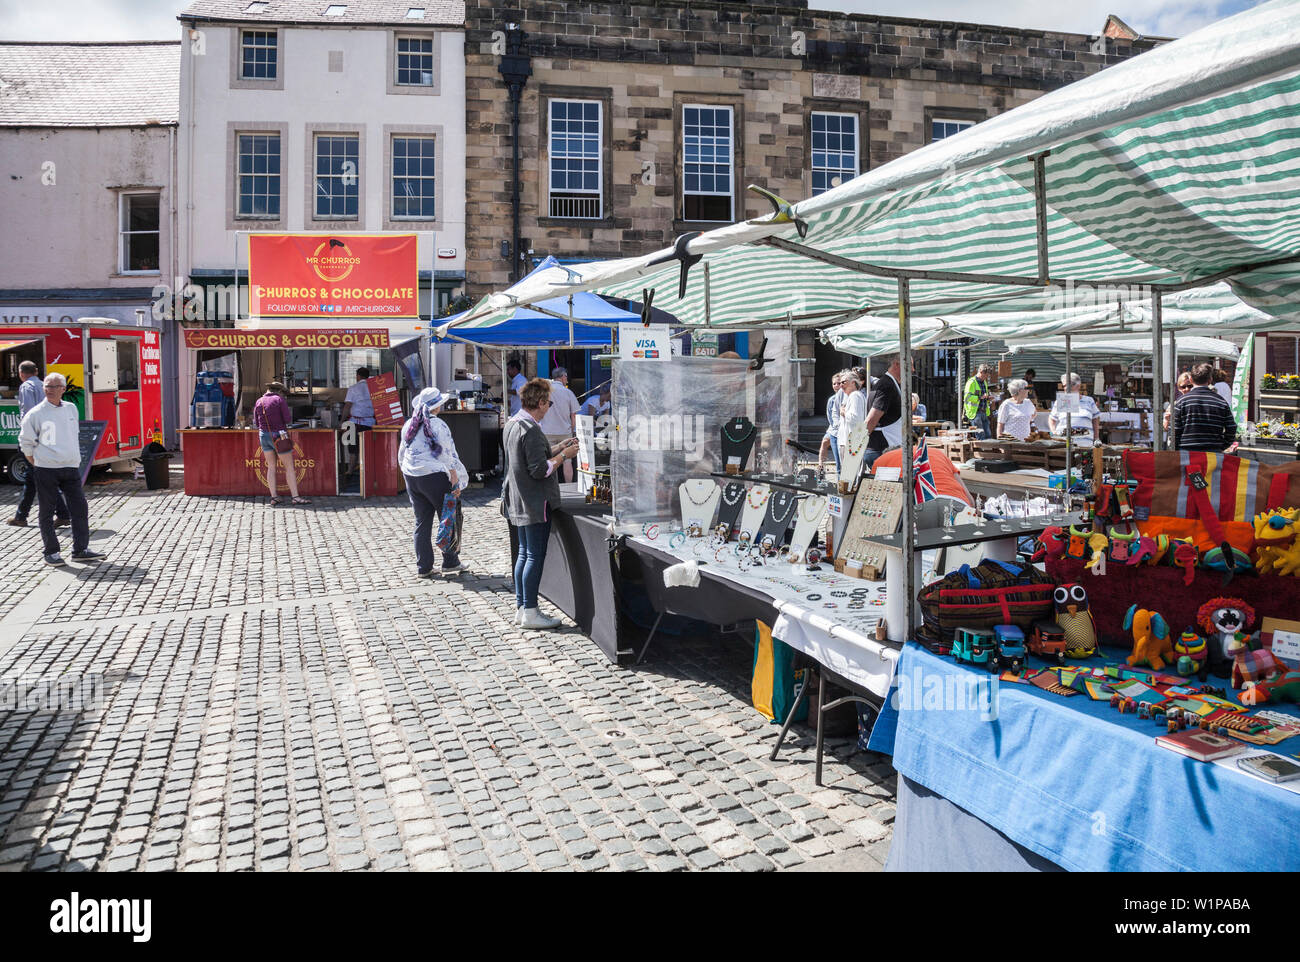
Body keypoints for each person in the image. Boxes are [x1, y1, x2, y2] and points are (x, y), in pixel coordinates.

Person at [502, 378, 580, 630]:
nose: (549, 407)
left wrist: (558, 447)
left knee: (524, 554)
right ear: (541, 402)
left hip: (519, 499)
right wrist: (563, 457)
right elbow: (539, 469)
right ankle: (531, 611)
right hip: (534, 501)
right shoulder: (530, 429)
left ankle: (522, 608)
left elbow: (532, 456)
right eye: (549, 403)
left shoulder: (514, 423)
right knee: (533, 555)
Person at [17, 373, 102, 566]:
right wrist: (38, 462)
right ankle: (51, 552)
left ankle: (81, 549)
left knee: (80, 508)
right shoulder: (36, 413)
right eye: (47, 386)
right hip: (46, 469)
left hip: (70, 467)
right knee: (46, 511)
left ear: (63, 389)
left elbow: (73, 435)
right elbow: (25, 443)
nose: (49, 389)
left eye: (54, 386)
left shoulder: (71, 409)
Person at [399, 387, 468, 578]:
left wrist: (406, 471)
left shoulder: (409, 425)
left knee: (422, 521)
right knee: (448, 516)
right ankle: (450, 561)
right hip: (435, 475)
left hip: (413, 476)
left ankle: (424, 566)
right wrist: (455, 476)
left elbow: (402, 453)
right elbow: (447, 454)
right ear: (437, 406)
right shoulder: (439, 425)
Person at [8, 360, 70, 529]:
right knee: (34, 477)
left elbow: (29, 414)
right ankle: (22, 515)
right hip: (48, 435)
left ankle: (61, 514)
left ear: (21, 373)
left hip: (35, 437)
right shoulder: (47, 385)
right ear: (36, 371)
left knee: (39, 476)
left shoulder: (26, 387)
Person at [253, 381, 310, 506]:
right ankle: (295, 497)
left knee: (271, 467)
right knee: (289, 467)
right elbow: (287, 419)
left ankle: (274, 497)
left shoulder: (259, 401)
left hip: (264, 435)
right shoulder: (279, 400)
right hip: (279, 435)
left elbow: (256, 423)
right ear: (279, 391)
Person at [1173, 362, 1237, 452]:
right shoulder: (1221, 402)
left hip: (1187, 454)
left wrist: (1178, 448)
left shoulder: (1181, 402)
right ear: (1210, 380)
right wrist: (1221, 446)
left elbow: (1174, 431)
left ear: (1190, 379)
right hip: (1213, 455)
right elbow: (1232, 428)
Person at [863, 354, 905, 472]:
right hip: (881, 449)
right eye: (910, 365)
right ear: (897, 365)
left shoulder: (891, 384)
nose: (913, 370)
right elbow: (871, 419)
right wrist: (858, 446)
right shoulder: (886, 385)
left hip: (885, 447)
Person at [539, 366, 580, 483]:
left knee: (549, 460)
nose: (567, 379)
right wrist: (572, 431)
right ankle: (569, 487)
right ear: (562, 377)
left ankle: (550, 487)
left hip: (547, 431)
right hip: (565, 432)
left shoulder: (545, 392)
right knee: (567, 461)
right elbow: (574, 416)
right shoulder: (568, 393)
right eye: (566, 377)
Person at [1048, 372, 1101, 445]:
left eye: (1069, 385)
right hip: (1064, 442)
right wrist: (1053, 432)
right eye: (1064, 386)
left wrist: (1096, 438)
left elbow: (1095, 419)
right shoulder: (1061, 401)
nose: (1066, 388)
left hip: (1085, 443)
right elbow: (1052, 418)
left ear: (1078, 386)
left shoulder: (1089, 400)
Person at [341, 367, 375, 476]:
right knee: (368, 449)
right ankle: (368, 473)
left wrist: (342, 421)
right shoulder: (374, 388)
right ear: (368, 376)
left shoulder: (353, 388)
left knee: (352, 449)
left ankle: (350, 471)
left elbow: (347, 406)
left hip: (353, 423)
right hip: (370, 423)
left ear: (358, 376)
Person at [836, 369, 866, 470]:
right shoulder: (852, 396)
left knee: (849, 475)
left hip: (850, 442)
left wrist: (843, 412)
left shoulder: (855, 396)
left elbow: (855, 418)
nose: (841, 385)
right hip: (848, 441)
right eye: (840, 383)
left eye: (844, 382)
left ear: (853, 382)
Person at [818, 372, 843, 473]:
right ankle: (821, 465)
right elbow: (830, 417)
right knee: (824, 442)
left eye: (838, 383)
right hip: (834, 427)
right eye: (834, 384)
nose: (836, 386)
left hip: (844, 428)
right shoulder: (832, 400)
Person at [962, 364, 994, 439]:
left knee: (988, 435)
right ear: (980, 372)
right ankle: (981, 450)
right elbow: (967, 397)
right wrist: (980, 397)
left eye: (988, 375)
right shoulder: (971, 382)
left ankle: (986, 450)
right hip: (975, 413)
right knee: (981, 436)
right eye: (985, 375)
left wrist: (988, 398)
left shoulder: (984, 382)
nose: (986, 377)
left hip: (983, 412)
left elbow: (983, 396)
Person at [1163, 371, 1193, 436]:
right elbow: (1166, 428)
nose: (1187, 389)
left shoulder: (1198, 402)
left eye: (1190, 386)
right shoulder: (1174, 405)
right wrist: (1166, 420)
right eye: (1183, 387)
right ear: (1179, 388)